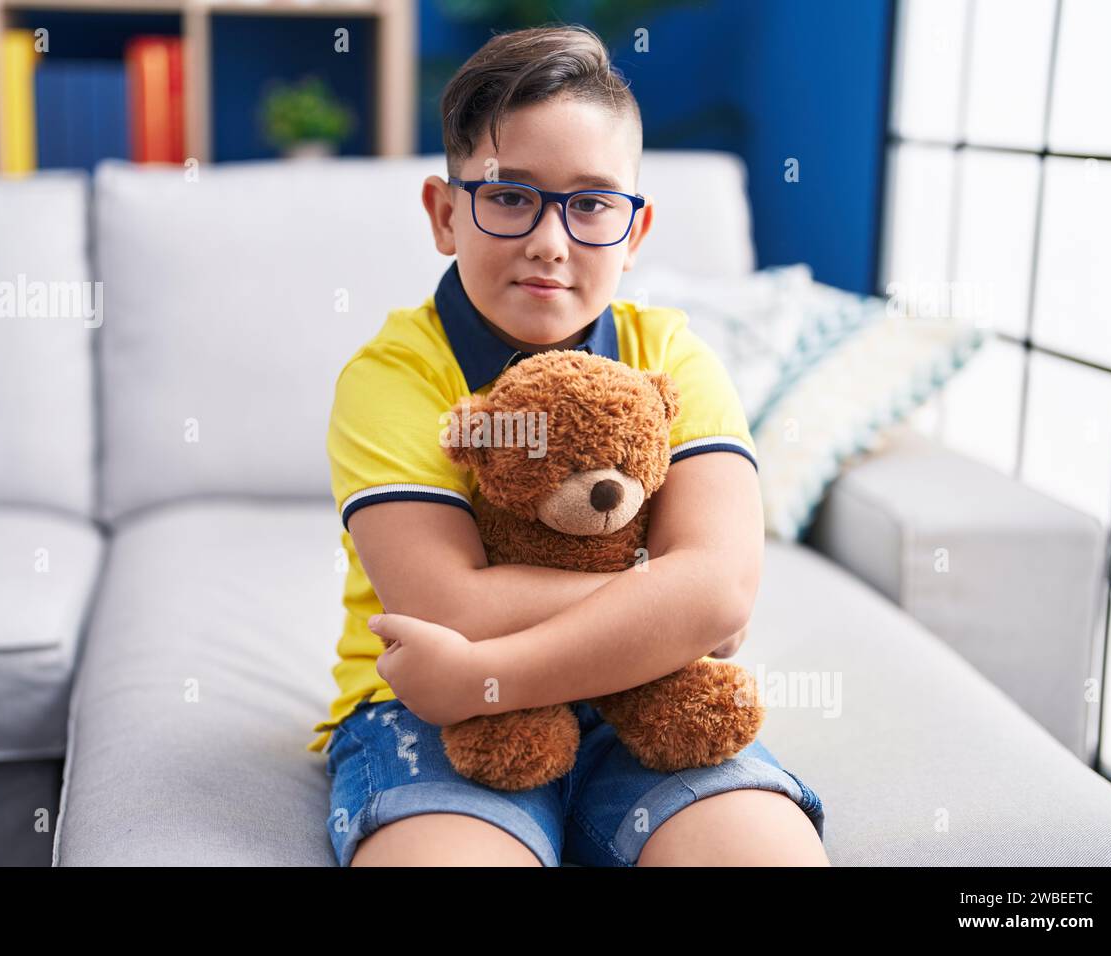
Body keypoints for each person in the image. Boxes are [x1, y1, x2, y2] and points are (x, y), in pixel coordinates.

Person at [308, 23, 828, 867]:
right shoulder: (395, 377)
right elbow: (451, 609)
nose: (551, 241)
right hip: (432, 702)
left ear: (635, 233)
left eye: (590, 204)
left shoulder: (671, 357)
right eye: (511, 196)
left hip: (648, 692)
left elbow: (722, 588)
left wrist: (494, 672)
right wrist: (667, 600)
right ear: (445, 214)